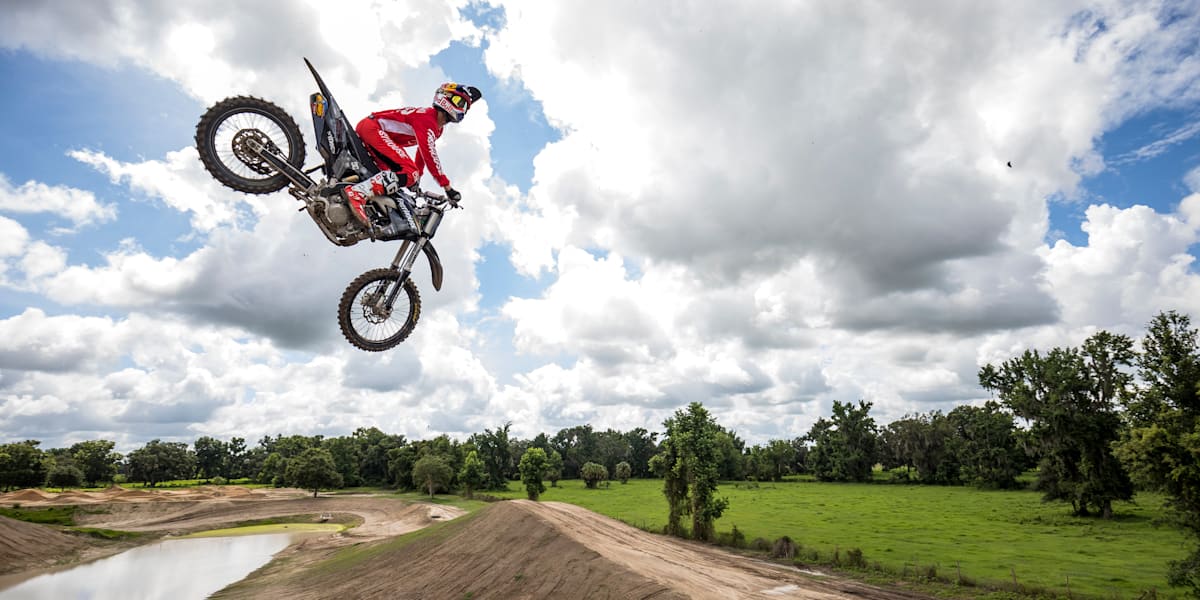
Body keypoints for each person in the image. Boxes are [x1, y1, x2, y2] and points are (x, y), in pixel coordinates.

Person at [342, 82, 482, 232]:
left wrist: (417, 179)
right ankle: (357, 193)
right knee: (410, 172)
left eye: (466, 107)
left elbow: (422, 152)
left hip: (375, 131)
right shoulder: (428, 118)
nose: (462, 109)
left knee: (390, 181)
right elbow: (429, 153)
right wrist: (446, 186)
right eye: (459, 102)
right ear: (445, 96)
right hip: (373, 129)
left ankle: (348, 197)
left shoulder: (437, 128)